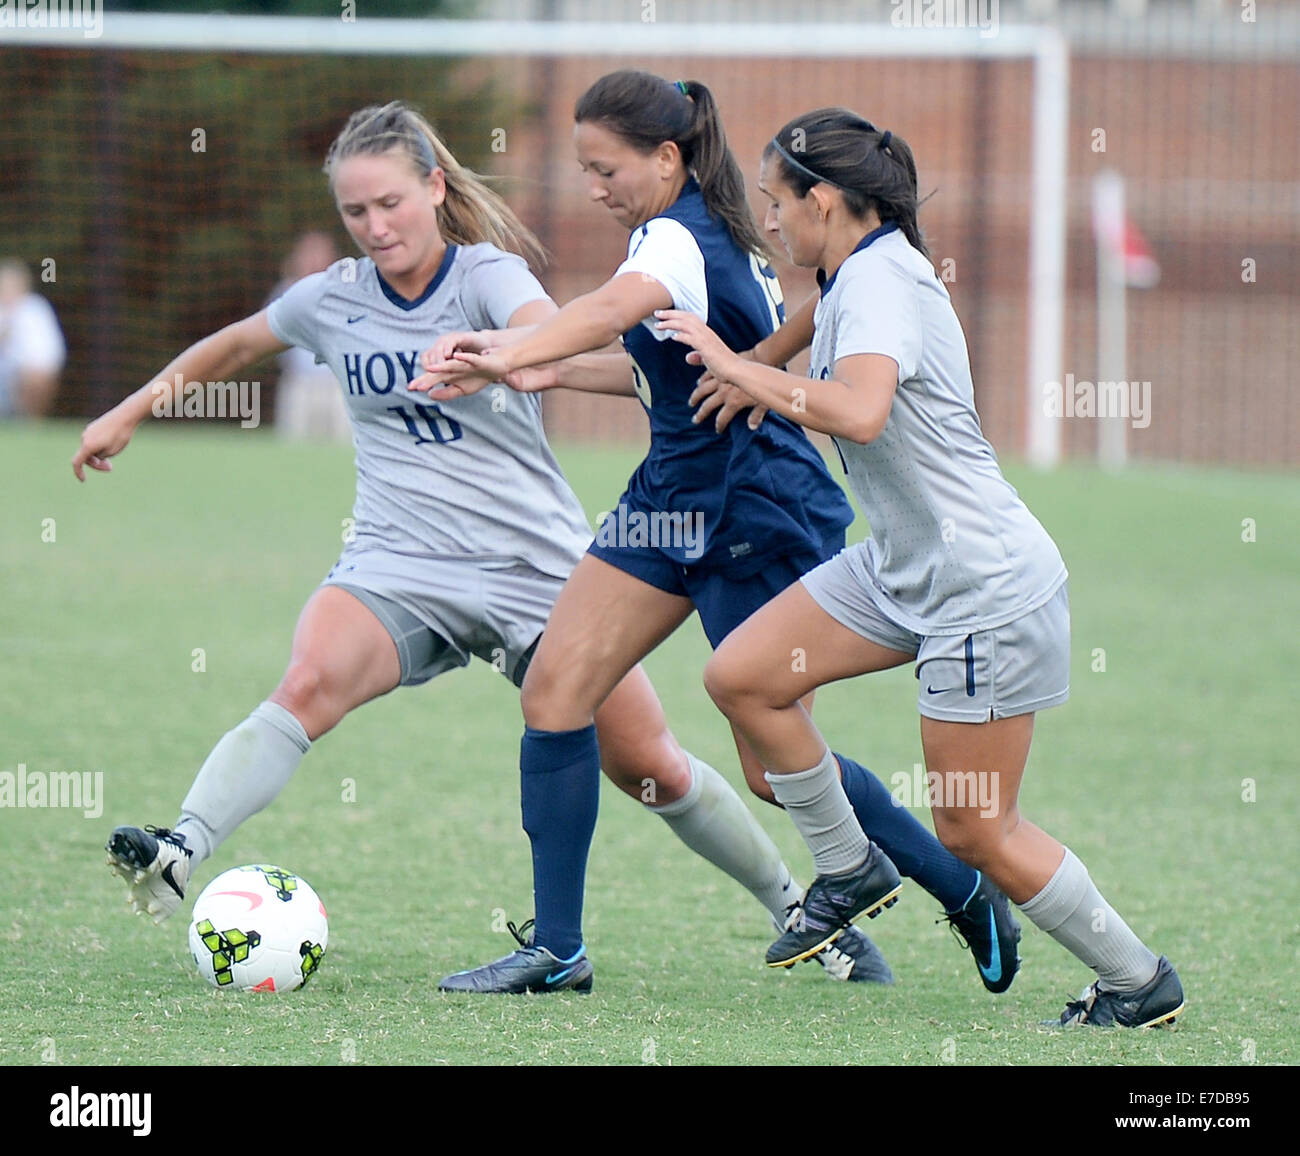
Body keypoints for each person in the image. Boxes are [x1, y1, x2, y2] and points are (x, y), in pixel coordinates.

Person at [72, 100, 891, 994]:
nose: (376, 227)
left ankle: (804, 914)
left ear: (433, 187)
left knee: (649, 767)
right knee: (306, 680)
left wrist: (512, 351)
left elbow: (556, 327)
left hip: (536, 570)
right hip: (396, 565)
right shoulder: (335, 300)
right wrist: (129, 410)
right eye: (355, 213)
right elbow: (235, 343)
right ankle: (180, 845)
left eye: (390, 203)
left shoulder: (488, 279)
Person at [414, 72, 1021, 996]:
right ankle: (558, 950)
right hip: (669, 497)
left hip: (753, 502)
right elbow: (674, 373)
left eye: (604, 167)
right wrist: (549, 378)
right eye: (583, 169)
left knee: (776, 771)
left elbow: (613, 309)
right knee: (556, 688)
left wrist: (509, 348)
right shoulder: (699, 235)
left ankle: (961, 884)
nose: (592, 187)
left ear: (667, 158)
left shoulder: (675, 236)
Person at [658, 107, 1185, 1028]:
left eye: (779, 203)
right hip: (906, 565)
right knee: (742, 678)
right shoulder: (866, 267)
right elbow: (824, 319)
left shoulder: (882, 283)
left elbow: (859, 413)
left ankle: (1138, 980)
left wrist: (741, 375)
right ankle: (852, 867)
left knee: (976, 829)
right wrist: (758, 358)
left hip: (982, 588)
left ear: (824, 200)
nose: (770, 222)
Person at [268, 231, 351, 442]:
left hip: (338, 386)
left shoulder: (345, 292)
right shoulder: (285, 293)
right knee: (294, 443)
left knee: (341, 445)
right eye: (309, 253)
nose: (314, 259)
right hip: (299, 384)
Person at [0, 257, 65, 417]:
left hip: (26, 375)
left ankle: (29, 422)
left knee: (36, 378)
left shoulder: (35, 309)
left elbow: (48, 352)